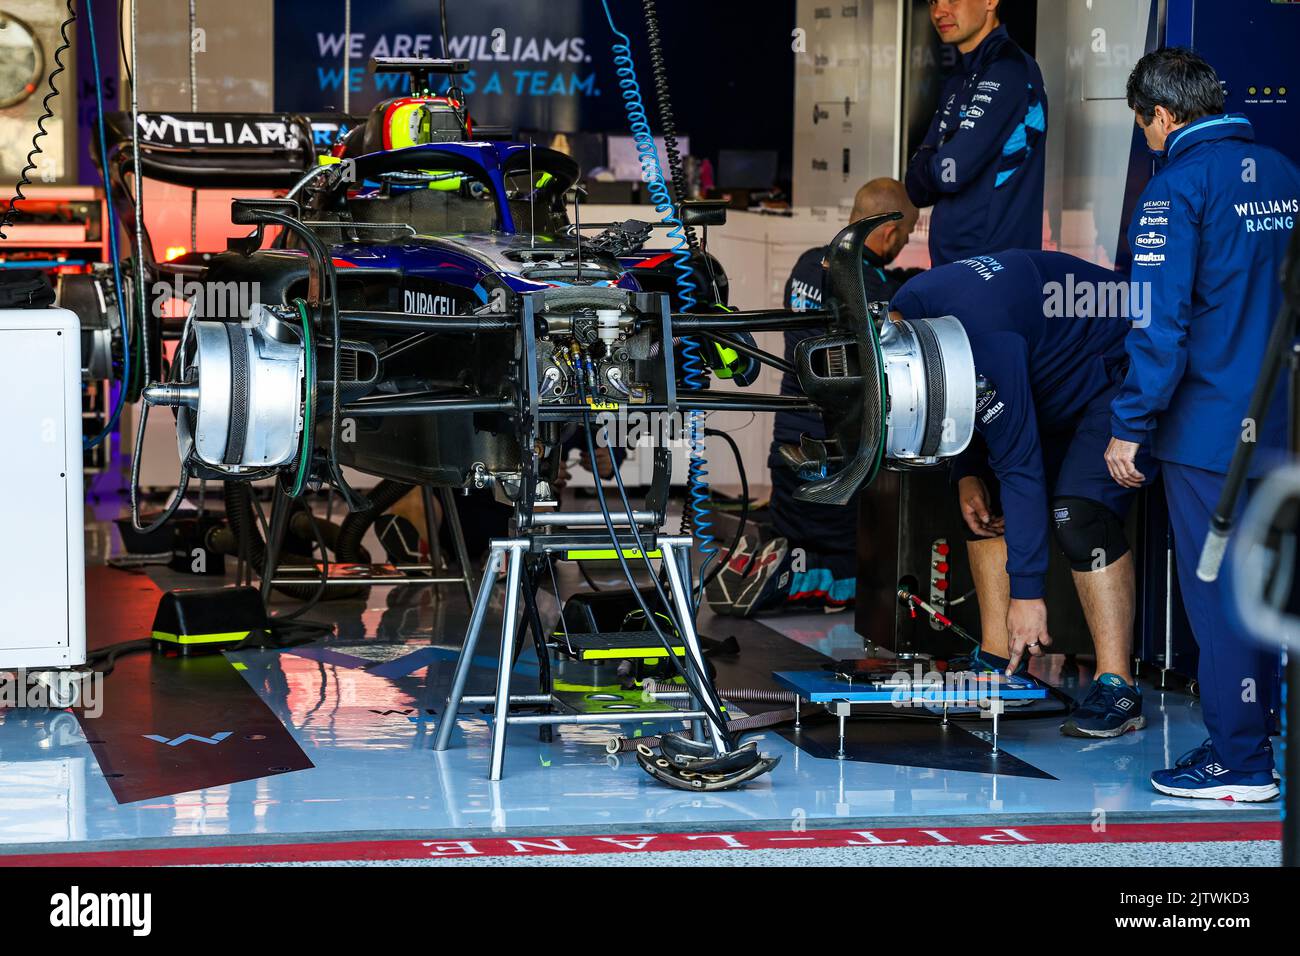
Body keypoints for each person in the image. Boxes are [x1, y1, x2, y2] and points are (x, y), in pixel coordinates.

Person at [1105, 49, 1300, 801]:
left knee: (1218, 596)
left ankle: (1242, 763)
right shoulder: (1286, 175)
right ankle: (1258, 743)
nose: (1147, 140)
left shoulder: (1173, 189)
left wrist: (1130, 423)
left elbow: (1158, 323)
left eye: (1143, 125)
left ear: (1163, 115)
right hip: (1281, 421)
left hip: (1209, 434)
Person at [890, 249, 1155, 737]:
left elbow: (1022, 466)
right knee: (984, 502)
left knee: (1077, 515)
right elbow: (956, 393)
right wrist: (967, 470)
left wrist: (1028, 596)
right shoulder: (908, 307)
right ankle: (997, 665)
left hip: (1119, 371)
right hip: (1050, 375)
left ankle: (1117, 684)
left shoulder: (987, 339)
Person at [706, 178, 920, 617]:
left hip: (787, 453)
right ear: (888, 231)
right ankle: (796, 577)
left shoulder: (808, 264)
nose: (905, 244)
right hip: (840, 458)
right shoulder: (868, 286)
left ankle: (781, 560)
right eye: (907, 234)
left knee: (804, 537)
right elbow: (897, 335)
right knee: (858, 575)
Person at [904, 0, 1047, 266]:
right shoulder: (960, 78)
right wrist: (939, 157)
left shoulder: (1009, 68)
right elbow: (915, 187)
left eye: (953, 0)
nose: (938, 12)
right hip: (953, 269)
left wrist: (937, 156)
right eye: (933, 1)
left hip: (991, 273)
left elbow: (952, 170)